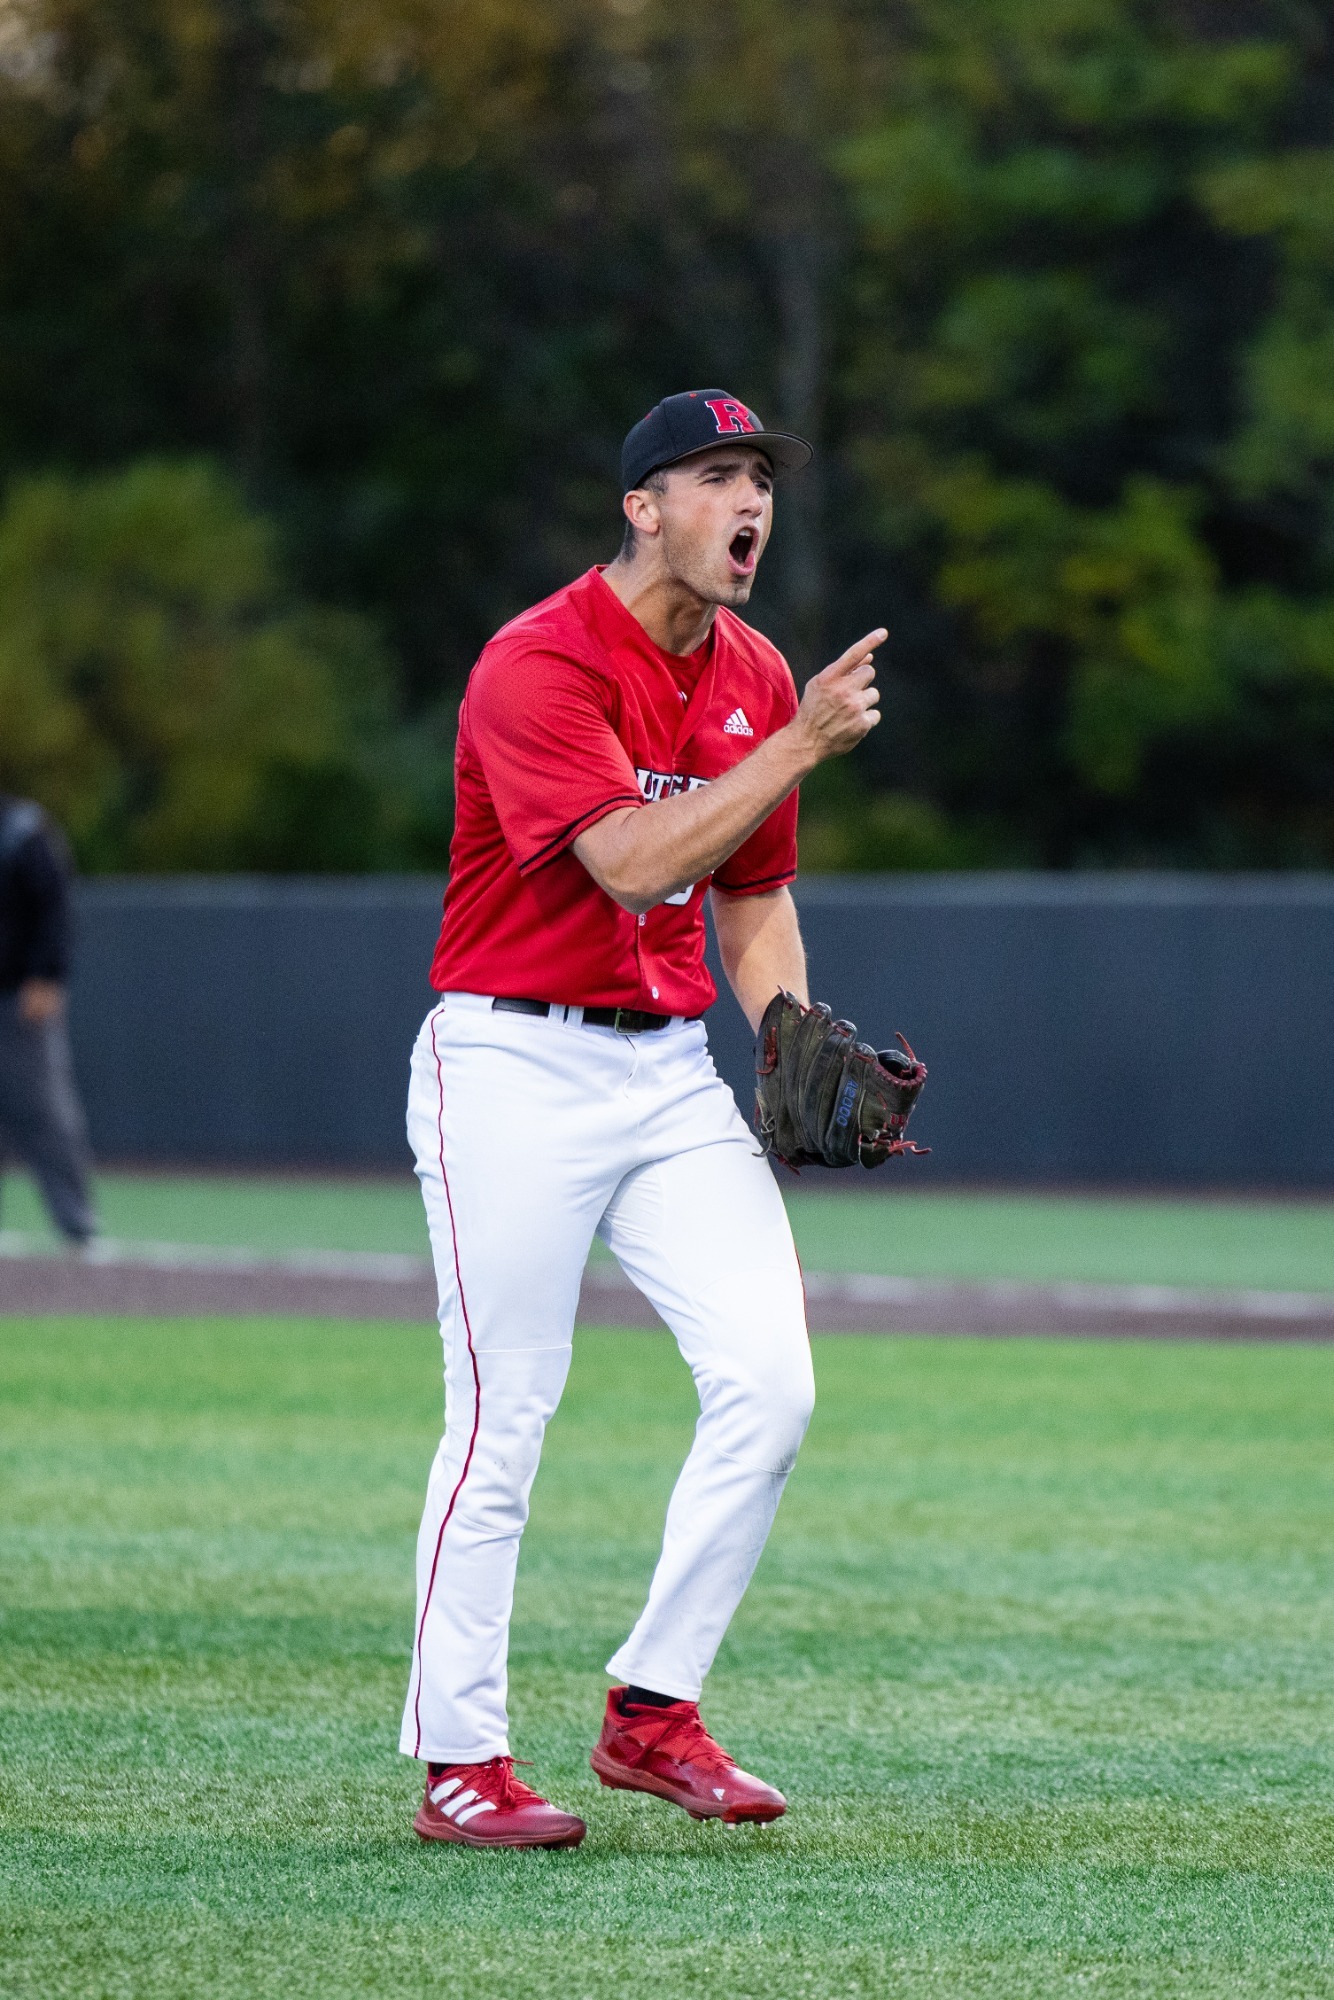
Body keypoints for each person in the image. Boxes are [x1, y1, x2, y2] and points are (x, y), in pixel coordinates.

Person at [403, 389, 883, 1851]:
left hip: (667, 1070)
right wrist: (795, 747)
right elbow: (627, 861)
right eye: (717, 475)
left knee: (771, 1386)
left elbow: (748, 898)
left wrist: (789, 1032)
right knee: (502, 1419)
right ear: (642, 506)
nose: (751, 505)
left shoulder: (750, 669)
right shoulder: (536, 662)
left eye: (763, 482)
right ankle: (459, 1762)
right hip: (510, 1061)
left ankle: (651, 1711)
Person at [0, 795, 98, 1247]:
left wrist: (47, 975)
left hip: (18, 995)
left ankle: (74, 1219)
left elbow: (54, 906)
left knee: (43, 1108)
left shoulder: (20, 832)